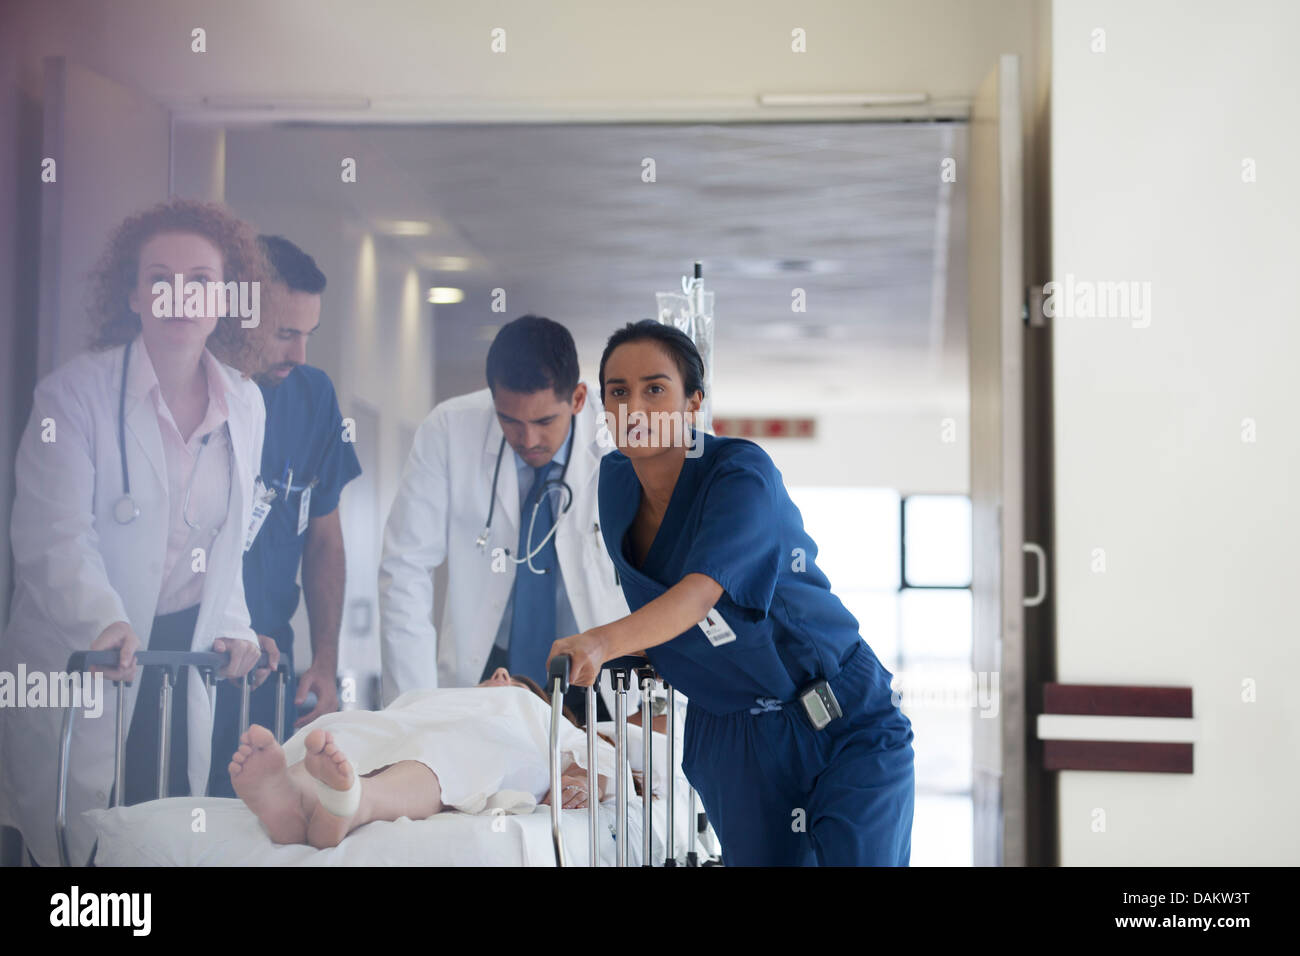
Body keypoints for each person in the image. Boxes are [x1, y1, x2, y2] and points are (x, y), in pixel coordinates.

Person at [548, 320, 916, 867]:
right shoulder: (615, 483)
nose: (634, 408)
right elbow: (671, 616)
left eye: (655, 389)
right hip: (731, 735)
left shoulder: (740, 472)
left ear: (693, 402)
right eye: (618, 392)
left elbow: (700, 595)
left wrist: (601, 643)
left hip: (837, 717)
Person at [0, 198, 271, 866]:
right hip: (91, 652)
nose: (180, 296)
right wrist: (103, 621)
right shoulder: (72, 396)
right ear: (132, 294)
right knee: (82, 850)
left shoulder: (246, 401)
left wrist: (232, 625)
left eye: (201, 280)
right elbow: (52, 535)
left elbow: (228, 544)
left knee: (163, 836)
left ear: (227, 297)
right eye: (159, 278)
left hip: (180, 654)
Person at [379, 315, 638, 726]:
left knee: (596, 764)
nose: (528, 440)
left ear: (577, 398)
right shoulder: (449, 429)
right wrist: (411, 713)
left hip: (597, 669)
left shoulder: (621, 441)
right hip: (491, 669)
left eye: (544, 421)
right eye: (510, 421)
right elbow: (404, 570)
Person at [207, 235, 361, 799]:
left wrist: (325, 659)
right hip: (194, 652)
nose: (299, 354)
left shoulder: (312, 397)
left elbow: (324, 540)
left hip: (272, 664)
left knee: (263, 818)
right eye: (283, 333)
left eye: (307, 335)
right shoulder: (199, 391)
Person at [227, 667, 616, 849]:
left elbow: (596, 757)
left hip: (487, 739)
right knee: (351, 733)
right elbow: (394, 720)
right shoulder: (434, 698)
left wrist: (578, 782)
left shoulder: (537, 716)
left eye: (518, 682)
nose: (501, 674)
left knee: (448, 751)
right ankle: (292, 793)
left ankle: (356, 802)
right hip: (406, 722)